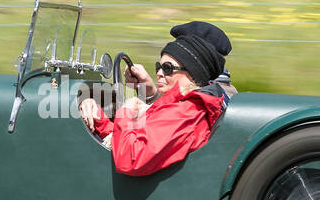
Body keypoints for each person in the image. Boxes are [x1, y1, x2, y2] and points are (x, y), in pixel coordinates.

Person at [79, 24, 232, 176]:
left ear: (192, 74)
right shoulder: (178, 104)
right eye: (159, 66)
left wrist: (126, 110)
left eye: (167, 68)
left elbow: (130, 159)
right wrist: (97, 117)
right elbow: (134, 137)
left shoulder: (187, 113)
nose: (159, 73)